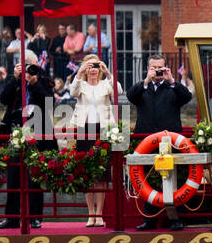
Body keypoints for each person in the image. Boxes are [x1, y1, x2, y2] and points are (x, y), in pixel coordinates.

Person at [127, 56, 194, 231]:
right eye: (154, 67)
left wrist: (172, 80)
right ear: (148, 68)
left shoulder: (172, 87)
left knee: (174, 180)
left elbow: (187, 97)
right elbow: (130, 96)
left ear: (165, 68)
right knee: (148, 180)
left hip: (170, 141)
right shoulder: (143, 88)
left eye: (160, 67)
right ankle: (149, 220)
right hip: (147, 142)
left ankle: (176, 219)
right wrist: (146, 80)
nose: (157, 71)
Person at [0, 51, 56, 230]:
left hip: (37, 134)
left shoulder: (43, 82)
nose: (28, 70)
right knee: (13, 178)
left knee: (34, 177)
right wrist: (15, 79)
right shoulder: (16, 82)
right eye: (25, 66)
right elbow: (3, 99)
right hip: (16, 132)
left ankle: (35, 217)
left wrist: (34, 84)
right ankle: (12, 218)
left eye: (31, 66)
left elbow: (50, 104)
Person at [69, 54, 116, 227]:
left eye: (96, 66)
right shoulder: (81, 84)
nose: (93, 70)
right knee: (86, 172)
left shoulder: (105, 84)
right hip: (85, 128)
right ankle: (90, 213)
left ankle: (99, 213)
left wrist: (108, 73)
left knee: (102, 174)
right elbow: (72, 91)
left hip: (103, 129)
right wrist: (79, 71)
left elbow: (118, 91)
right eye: (90, 66)